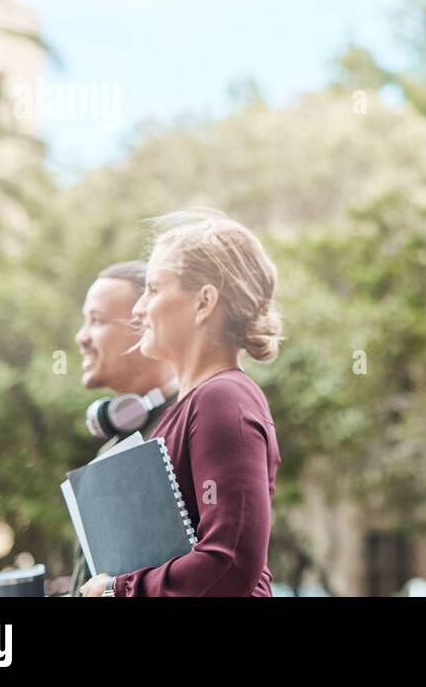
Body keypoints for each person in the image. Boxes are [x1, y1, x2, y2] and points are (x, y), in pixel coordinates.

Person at [79, 210, 283, 597]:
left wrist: (116, 591)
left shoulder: (224, 399)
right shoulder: (193, 406)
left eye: (153, 290)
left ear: (204, 302)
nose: (139, 309)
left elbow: (230, 564)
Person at [67, 260, 176, 597]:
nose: (81, 337)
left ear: (146, 326)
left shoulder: (180, 429)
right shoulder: (116, 443)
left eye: (97, 321)